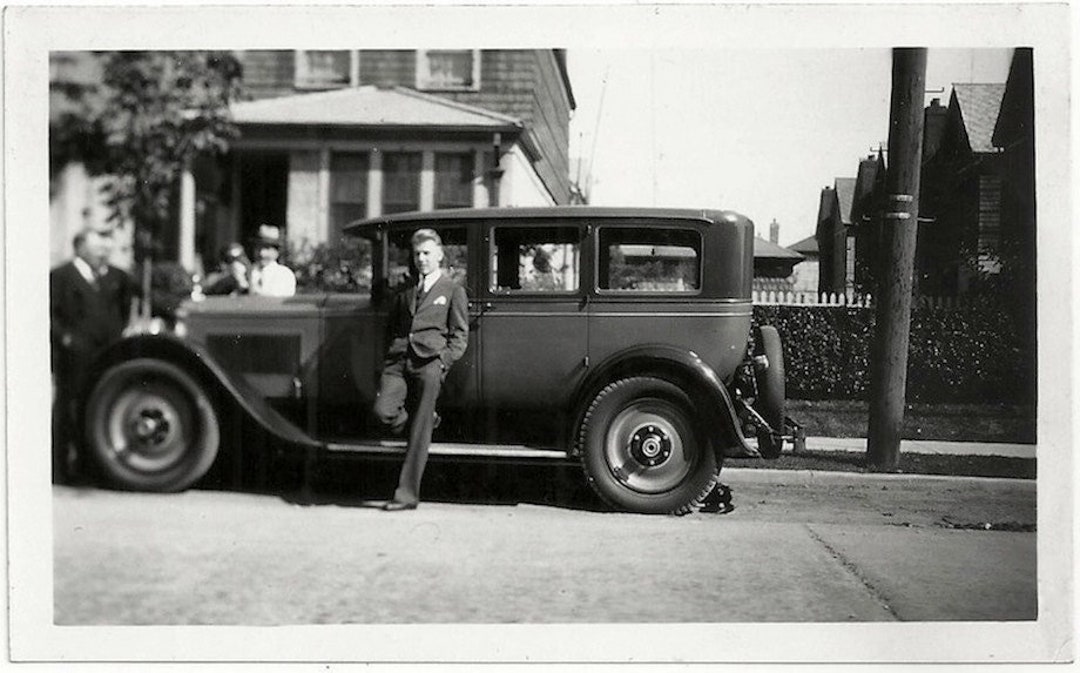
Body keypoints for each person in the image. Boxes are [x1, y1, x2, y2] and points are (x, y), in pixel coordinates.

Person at [374, 229, 469, 511]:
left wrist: (443, 362)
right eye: (417, 254)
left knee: (420, 431)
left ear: (439, 255)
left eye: (427, 253)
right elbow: (391, 327)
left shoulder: (453, 290)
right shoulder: (405, 290)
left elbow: (460, 335)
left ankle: (406, 496)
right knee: (383, 412)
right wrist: (391, 353)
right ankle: (424, 424)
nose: (421, 259)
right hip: (398, 361)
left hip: (429, 364)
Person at [50, 227, 137, 484]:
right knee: (69, 406)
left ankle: (90, 466)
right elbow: (48, 313)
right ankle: (61, 467)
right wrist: (65, 339)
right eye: (97, 247)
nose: (103, 252)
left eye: (105, 248)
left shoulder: (116, 277)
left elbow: (124, 309)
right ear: (80, 248)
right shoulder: (61, 276)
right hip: (74, 354)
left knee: (97, 406)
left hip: (106, 351)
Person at [249, 224, 296, 297]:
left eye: (267, 248)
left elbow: (277, 301)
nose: (262, 253)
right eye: (258, 248)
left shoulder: (284, 274)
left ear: (277, 252)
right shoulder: (249, 271)